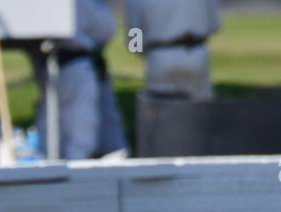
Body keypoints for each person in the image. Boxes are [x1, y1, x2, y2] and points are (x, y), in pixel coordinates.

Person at [36, 0, 129, 160]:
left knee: (54, 125)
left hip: (51, 65)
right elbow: (107, 28)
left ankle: (57, 164)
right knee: (80, 129)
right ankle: (74, 167)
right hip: (76, 64)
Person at [126, 0, 220, 100]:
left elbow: (134, 42)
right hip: (197, 52)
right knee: (200, 110)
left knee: (163, 110)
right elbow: (213, 24)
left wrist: (153, 53)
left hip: (160, 57)